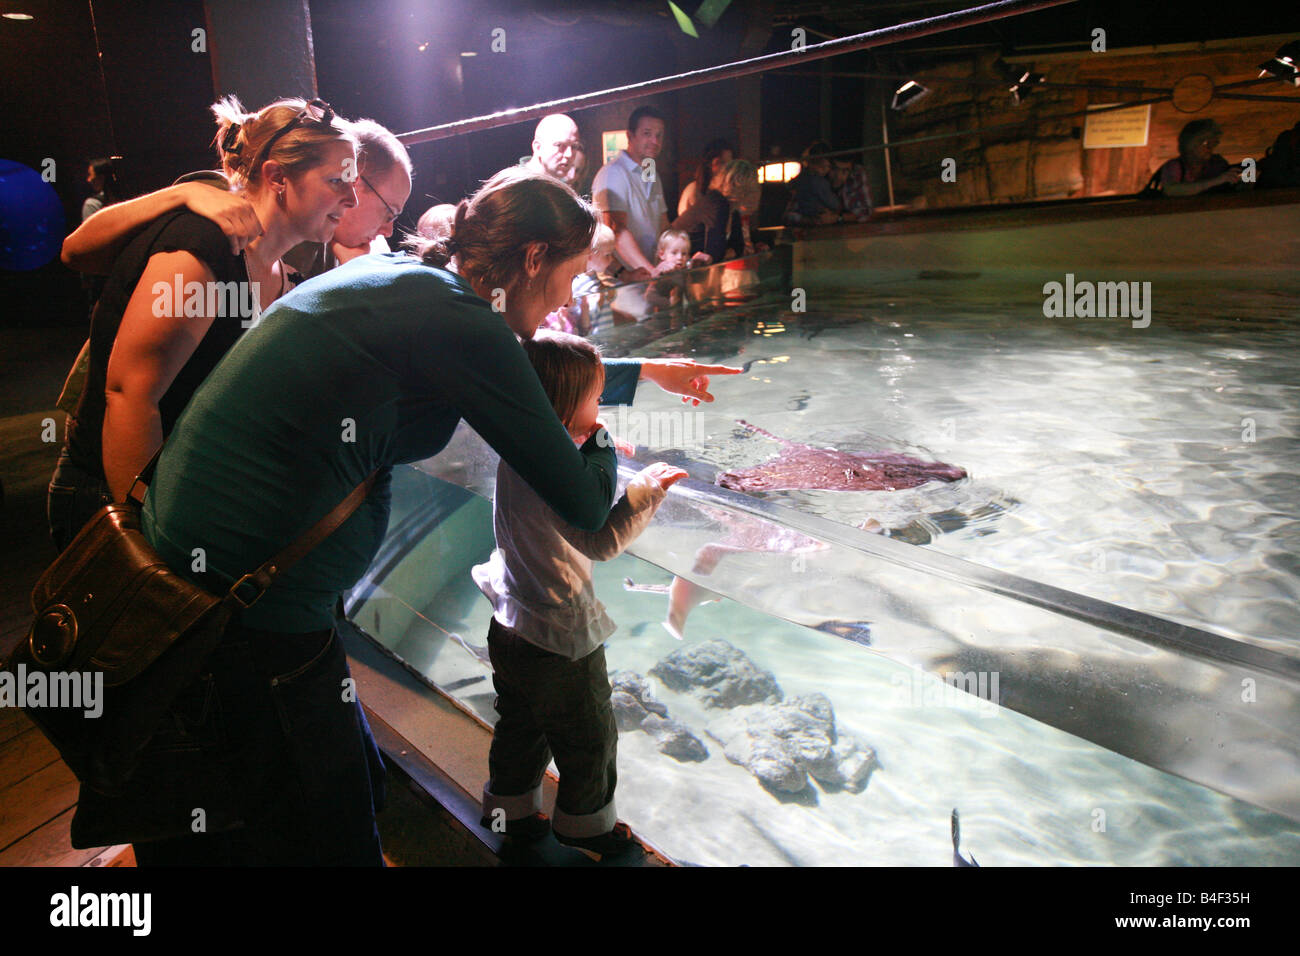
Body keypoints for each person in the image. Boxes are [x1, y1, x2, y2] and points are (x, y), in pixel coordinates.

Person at [112, 166, 738, 865]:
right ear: (534, 259)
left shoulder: (417, 283)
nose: (569, 294)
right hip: (247, 609)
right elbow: (588, 503)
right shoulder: (462, 322)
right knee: (326, 830)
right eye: (570, 274)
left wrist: (644, 374)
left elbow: (517, 376)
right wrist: (601, 441)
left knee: (327, 797)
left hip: (210, 578)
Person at [47, 96, 358, 552]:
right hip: (110, 498)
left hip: (176, 498)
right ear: (276, 177)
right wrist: (147, 538)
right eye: (337, 181)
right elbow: (131, 396)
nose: (351, 198)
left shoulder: (279, 274)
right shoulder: (205, 249)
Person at [474, 330, 686, 856]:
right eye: (596, 399)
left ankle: (508, 812)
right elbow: (602, 537)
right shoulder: (555, 473)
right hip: (558, 638)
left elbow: (572, 478)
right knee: (588, 739)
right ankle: (586, 828)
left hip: (509, 624)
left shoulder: (519, 449)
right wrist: (646, 491)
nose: (602, 408)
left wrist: (590, 444)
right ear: (569, 408)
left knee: (521, 726)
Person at [283, 118, 413, 278]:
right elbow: (245, 302)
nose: (387, 231)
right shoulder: (262, 238)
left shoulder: (370, 250)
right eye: (389, 214)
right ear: (354, 181)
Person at [591, 105, 673, 281]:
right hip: (622, 282)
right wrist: (652, 272)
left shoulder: (650, 171)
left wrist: (679, 256)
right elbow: (617, 231)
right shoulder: (613, 173)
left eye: (659, 135)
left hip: (647, 278)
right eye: (647, 133)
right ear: (630, 136)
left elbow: (664, 225)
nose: (655, 141)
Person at [670, 159, 758, 262]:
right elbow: (714, 253)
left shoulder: (731, 208)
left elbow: (738, 247)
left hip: (689, 266)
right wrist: (727, 252)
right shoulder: (717, 203)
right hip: (673, 263)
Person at [1157, 119, 1242, 197]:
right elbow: (1171, 190)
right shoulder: (1175, 166)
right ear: (1190, 143)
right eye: (1206, 143)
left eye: (1214, 143)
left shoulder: (1217, 163)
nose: (1210, 148)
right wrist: (1216, 181)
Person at [783, 141, 842, 225]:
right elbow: (834, 204)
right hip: (815, 219)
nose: (825, 170)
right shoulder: (819, 182)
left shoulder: (799, 178)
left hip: (801, 219)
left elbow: (789, 186)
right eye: (823, 167)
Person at [677, 138, 734, 217]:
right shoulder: (694, 191)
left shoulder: (725, 191)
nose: (726, 168)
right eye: (721, 163)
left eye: (729, 164)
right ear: (709, 164)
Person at [526, 113, 583, 187]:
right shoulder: (515, 186)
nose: (569, 154)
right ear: (538, 147)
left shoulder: (561, 188)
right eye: (559, 145)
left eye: (574, 146)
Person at [828, 155, 872, 221]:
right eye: (834, 169)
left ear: (851, 170)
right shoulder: (818, 176)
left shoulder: (857, 174)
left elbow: (865, 212)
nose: (838, 176)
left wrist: (837, 218)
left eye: (844, 171)